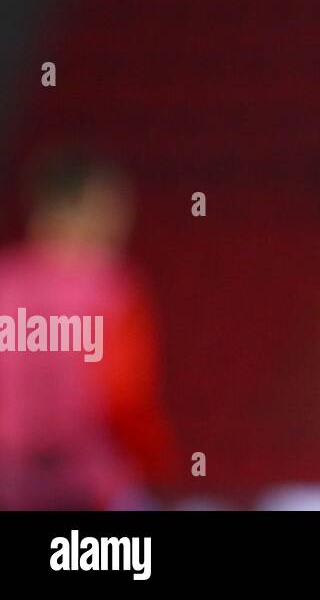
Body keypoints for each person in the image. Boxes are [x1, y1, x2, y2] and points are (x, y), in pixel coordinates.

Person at [0, 146, 176, 509]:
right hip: (92, 486)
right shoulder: (112, 288)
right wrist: (156, 461)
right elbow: (124, 395)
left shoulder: (5, 280)